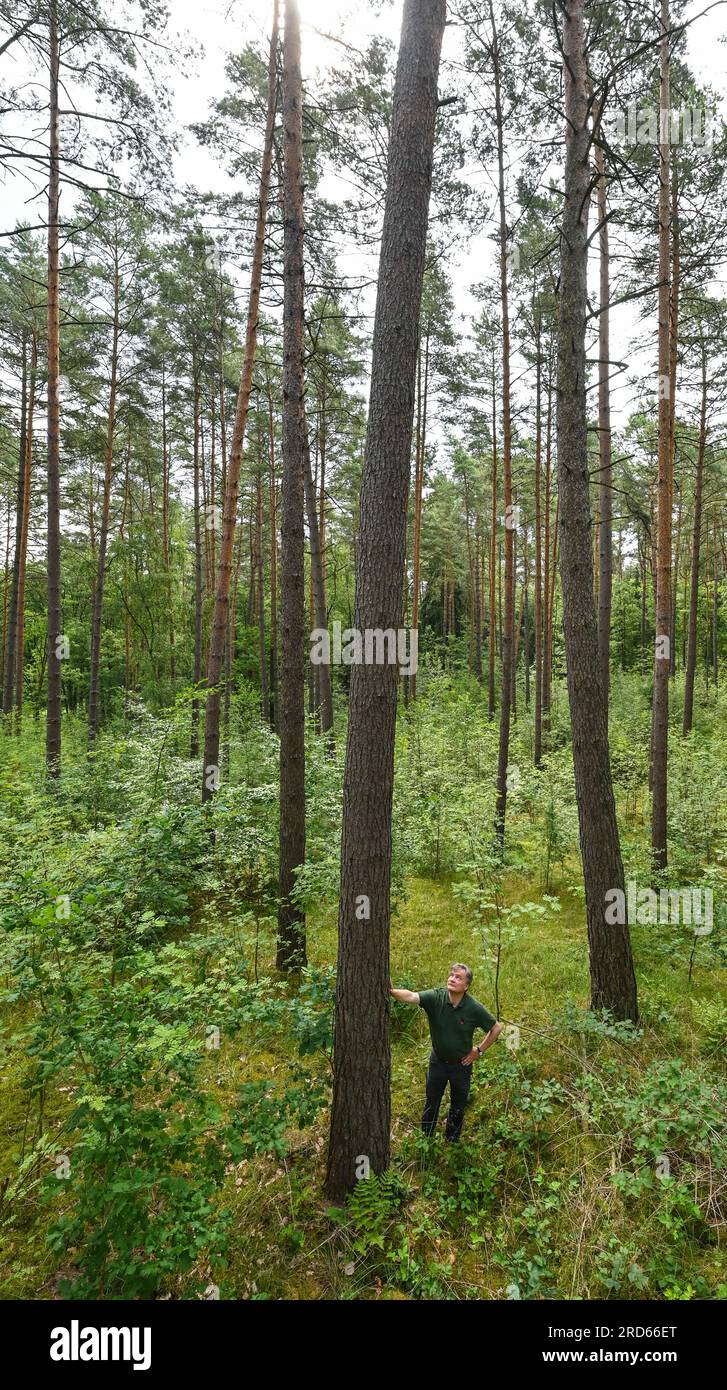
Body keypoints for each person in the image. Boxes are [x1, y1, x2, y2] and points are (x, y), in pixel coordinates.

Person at [391, 963, 503, 1142]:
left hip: (462, 1065)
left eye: (458, 977)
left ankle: (452, 1140)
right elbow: (411, 996)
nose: (452, 978)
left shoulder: (473, 1007)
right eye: (451, 975)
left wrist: (479, 1051)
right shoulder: (436, 997)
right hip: (438, 1062)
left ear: (466, 986)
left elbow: (496, 1028)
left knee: (458, 1105)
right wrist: (391, 991)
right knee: (432, 1101)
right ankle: (425, 1140)